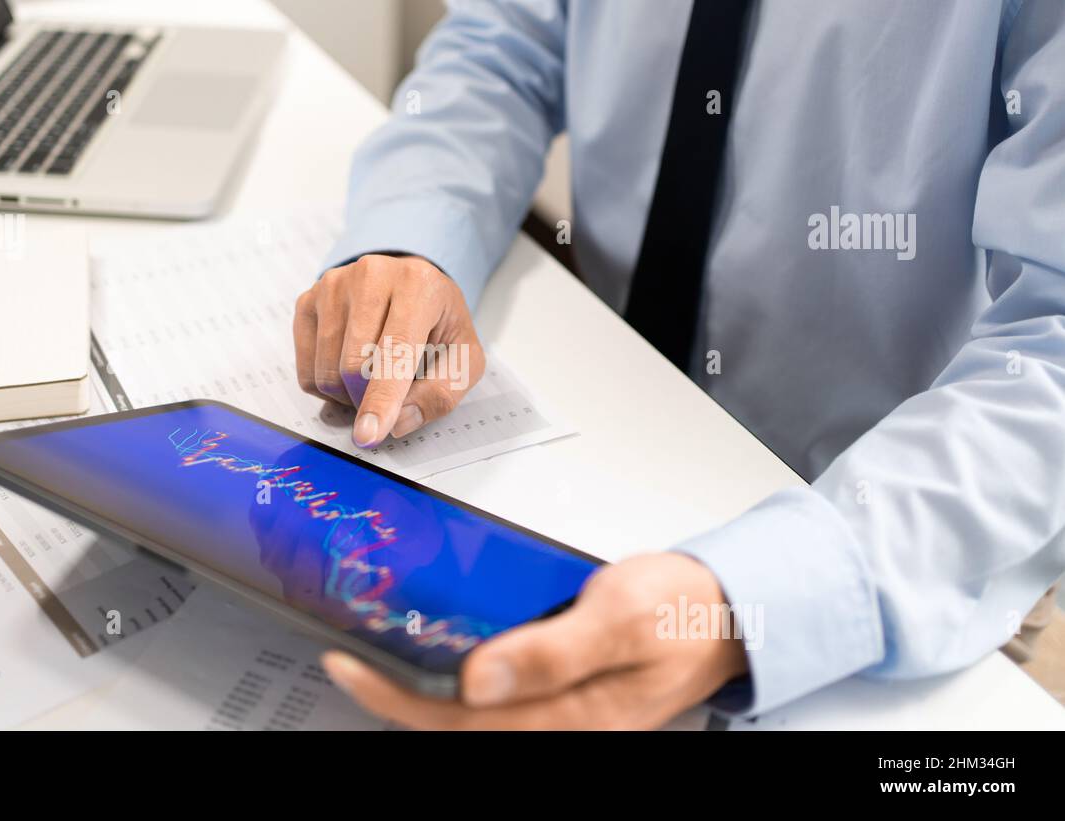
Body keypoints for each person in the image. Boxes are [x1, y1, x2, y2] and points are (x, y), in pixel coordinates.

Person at [294, 0, 1065, 729]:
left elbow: (1051, 351)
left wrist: (745, 607)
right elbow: (503, 48)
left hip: (892, 523)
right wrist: (414, 237)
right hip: (596, 436)